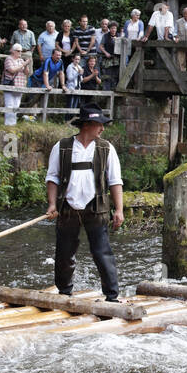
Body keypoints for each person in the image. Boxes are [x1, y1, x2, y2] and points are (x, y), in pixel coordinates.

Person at [45, 104, 125, 301]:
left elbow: (115, 181)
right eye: (100, 124)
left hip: (96, 208)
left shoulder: (107, 148)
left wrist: (119, 210)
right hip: (67, 209)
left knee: (102, 253)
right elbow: (52, 178)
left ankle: (112, 296)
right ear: (88, 124)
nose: (103, 128)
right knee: (64, 254)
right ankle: (64, 293)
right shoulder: (62, 147)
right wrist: (52, 204)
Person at [1, 43, 29, 125]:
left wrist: (26, 65)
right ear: (13, 51)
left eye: (21, 51)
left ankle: (13, 123)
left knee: (16, 105)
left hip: (20, 85)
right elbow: (12, 70)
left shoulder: (21, 60)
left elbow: (26, 73)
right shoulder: (8, 59)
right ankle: (8, 124)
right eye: (18, 51)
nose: (20, 53)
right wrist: (23, 64)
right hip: (10, 85)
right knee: (9, 105)